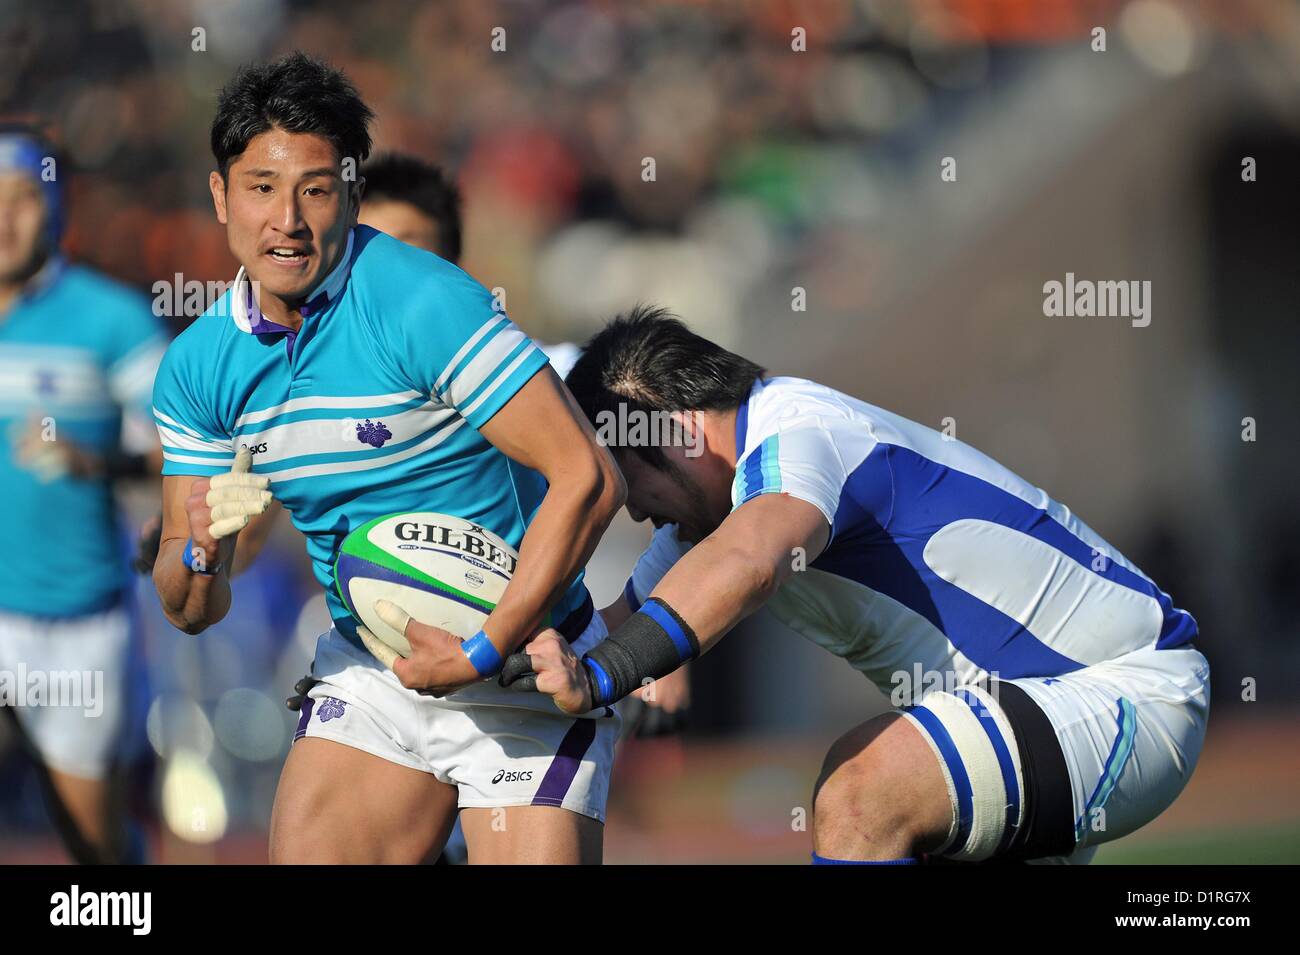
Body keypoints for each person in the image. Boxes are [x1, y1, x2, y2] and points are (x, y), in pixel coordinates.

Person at [503, 307, 1210, 865]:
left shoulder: (799, 433)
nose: (631, 506)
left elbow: (747, 564)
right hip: (1033, 712)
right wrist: (490, 653)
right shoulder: (707, 519)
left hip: (1125, 691)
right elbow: (604, 632)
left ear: (677, 429)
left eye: (631, 476)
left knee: (860, 795)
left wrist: (599, 676)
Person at [150, 52, 625, 864]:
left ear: (353, 193)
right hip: (374, 671)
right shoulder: (198, 368)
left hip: (524, 667)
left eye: (316, 188)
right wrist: (202, 546)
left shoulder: (421, 301)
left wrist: (483, 648)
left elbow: (590, 476)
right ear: (221, 195)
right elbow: (191, 606)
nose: (288, 220)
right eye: (261, 187)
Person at [0, 124, 167, 862]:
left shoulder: (113, 320)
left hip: (74, 623)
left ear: (58, 207)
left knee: (93, 842)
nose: (3, 220)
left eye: (22, 199)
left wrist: (94, 462)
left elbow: (183, 456)